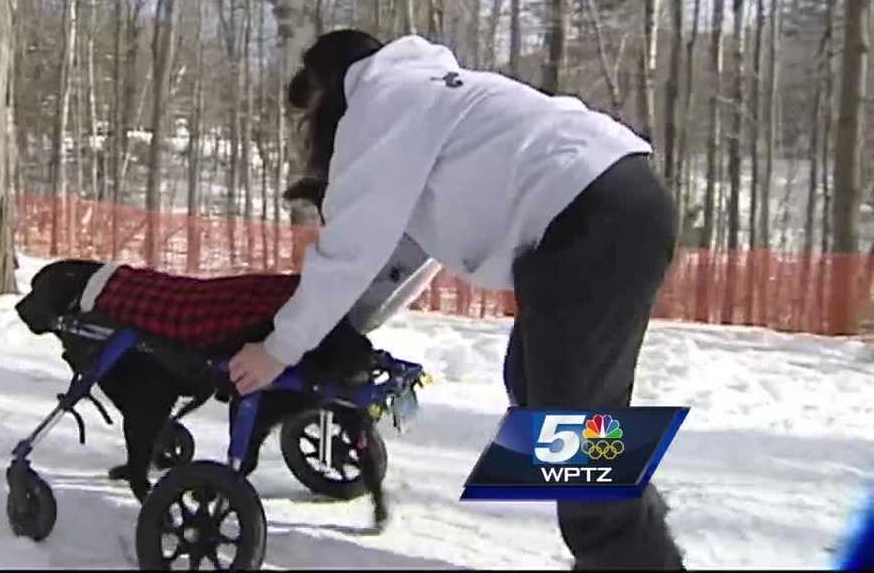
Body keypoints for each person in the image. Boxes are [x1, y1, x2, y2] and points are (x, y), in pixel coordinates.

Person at [228, 29, 683, 569]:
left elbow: (352, 249)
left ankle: (631, 554)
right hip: (603, 206)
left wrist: (279, 349)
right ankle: (630, 526)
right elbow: (404, 255)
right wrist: (339, 329)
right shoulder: (424, 94)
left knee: (568, 424)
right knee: (543, 399)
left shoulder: (380, 106)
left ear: (332, 88)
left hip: (592, 217)